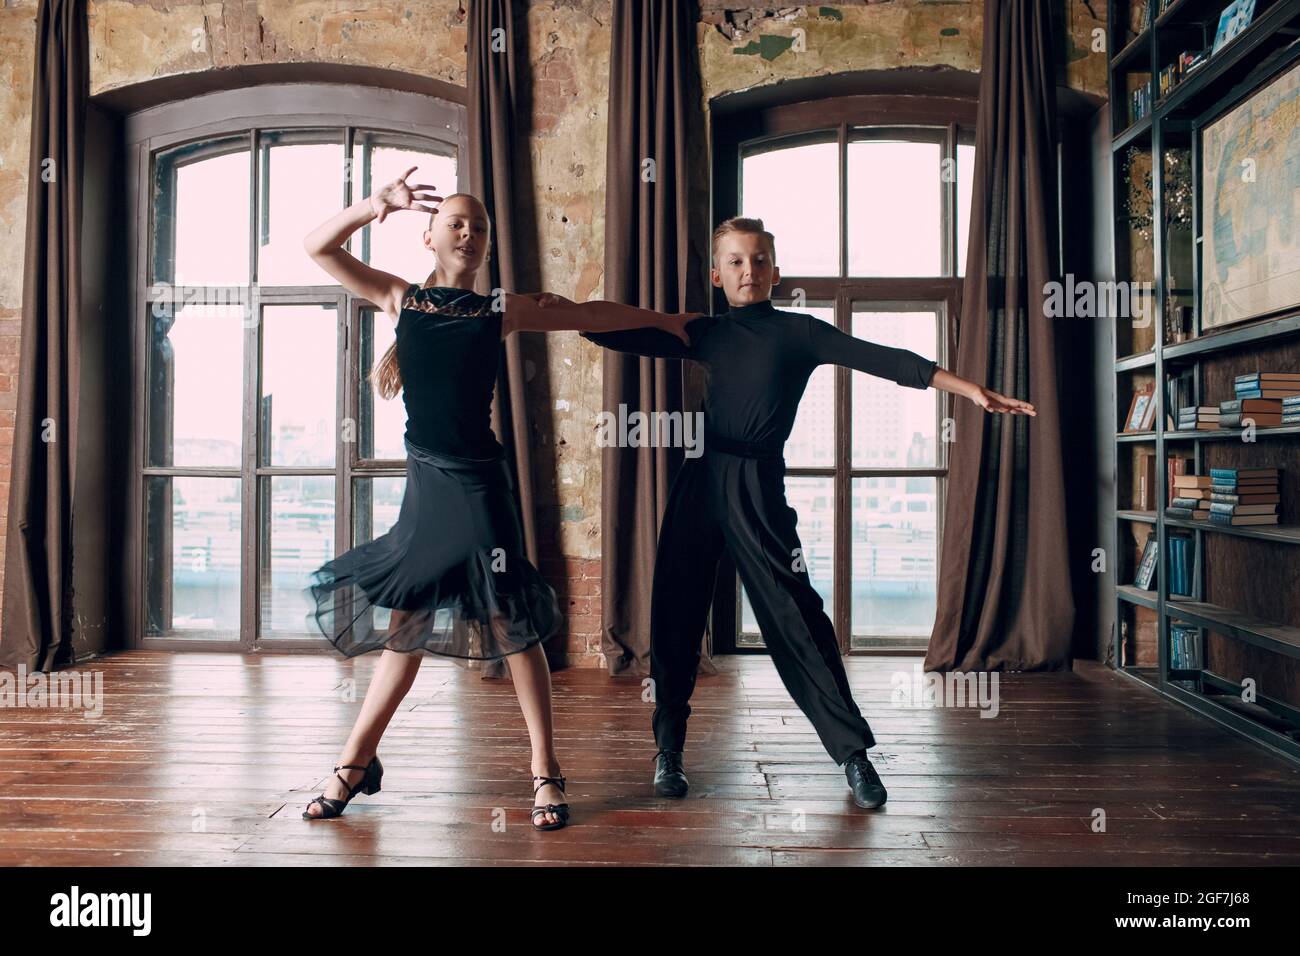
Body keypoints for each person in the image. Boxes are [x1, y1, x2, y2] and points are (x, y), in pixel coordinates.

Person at [563, 216, 1035, 809]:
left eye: (759, 260)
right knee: (675, 615)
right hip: (700, 482)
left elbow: (881, 358)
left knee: (799, 619)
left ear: (775, 272)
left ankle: (854, 756)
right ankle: (669, 752)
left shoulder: (799, 333)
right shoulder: (704, 331)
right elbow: (624, 329)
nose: (748, 271)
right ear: (716, 274)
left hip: (758, 487)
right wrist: (561, 313)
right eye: (735, 261)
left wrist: (968, 390)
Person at [299, 168, 697, 829]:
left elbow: (588, 313)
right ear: (429, 235)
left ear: (486, 245)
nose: (468, 231)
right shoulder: (401, 300)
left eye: (479, 226)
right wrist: (373, 205)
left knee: (514, 625)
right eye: (456, 221)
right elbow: (318, 248)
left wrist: (665, 322)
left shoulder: (499, 310)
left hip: (482, 486)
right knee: (407, 626)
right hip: (428, 488)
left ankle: (546, 773)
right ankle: (354, 762)